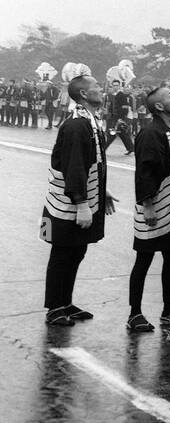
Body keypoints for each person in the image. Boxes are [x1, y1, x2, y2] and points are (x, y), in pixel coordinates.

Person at [41, 73, 117, 325]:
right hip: (66, 204)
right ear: (84, 94)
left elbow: (89, 161)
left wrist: (101, 189)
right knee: (63, 253)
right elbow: (74, 166)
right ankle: (54, 307)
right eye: (96, 86)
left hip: (80, 196)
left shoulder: (90, 120)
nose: (101, 89)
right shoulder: (77, 124)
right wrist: (82, 203)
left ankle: (65, 302)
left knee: (76, 251)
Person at [127, 85, 170, 333]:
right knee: (144, 260)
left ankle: (168, 312)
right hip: (154, 206)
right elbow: (145, 171)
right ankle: (135, 313)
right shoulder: (150, 132)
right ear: (159, 107)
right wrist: (148, 206)